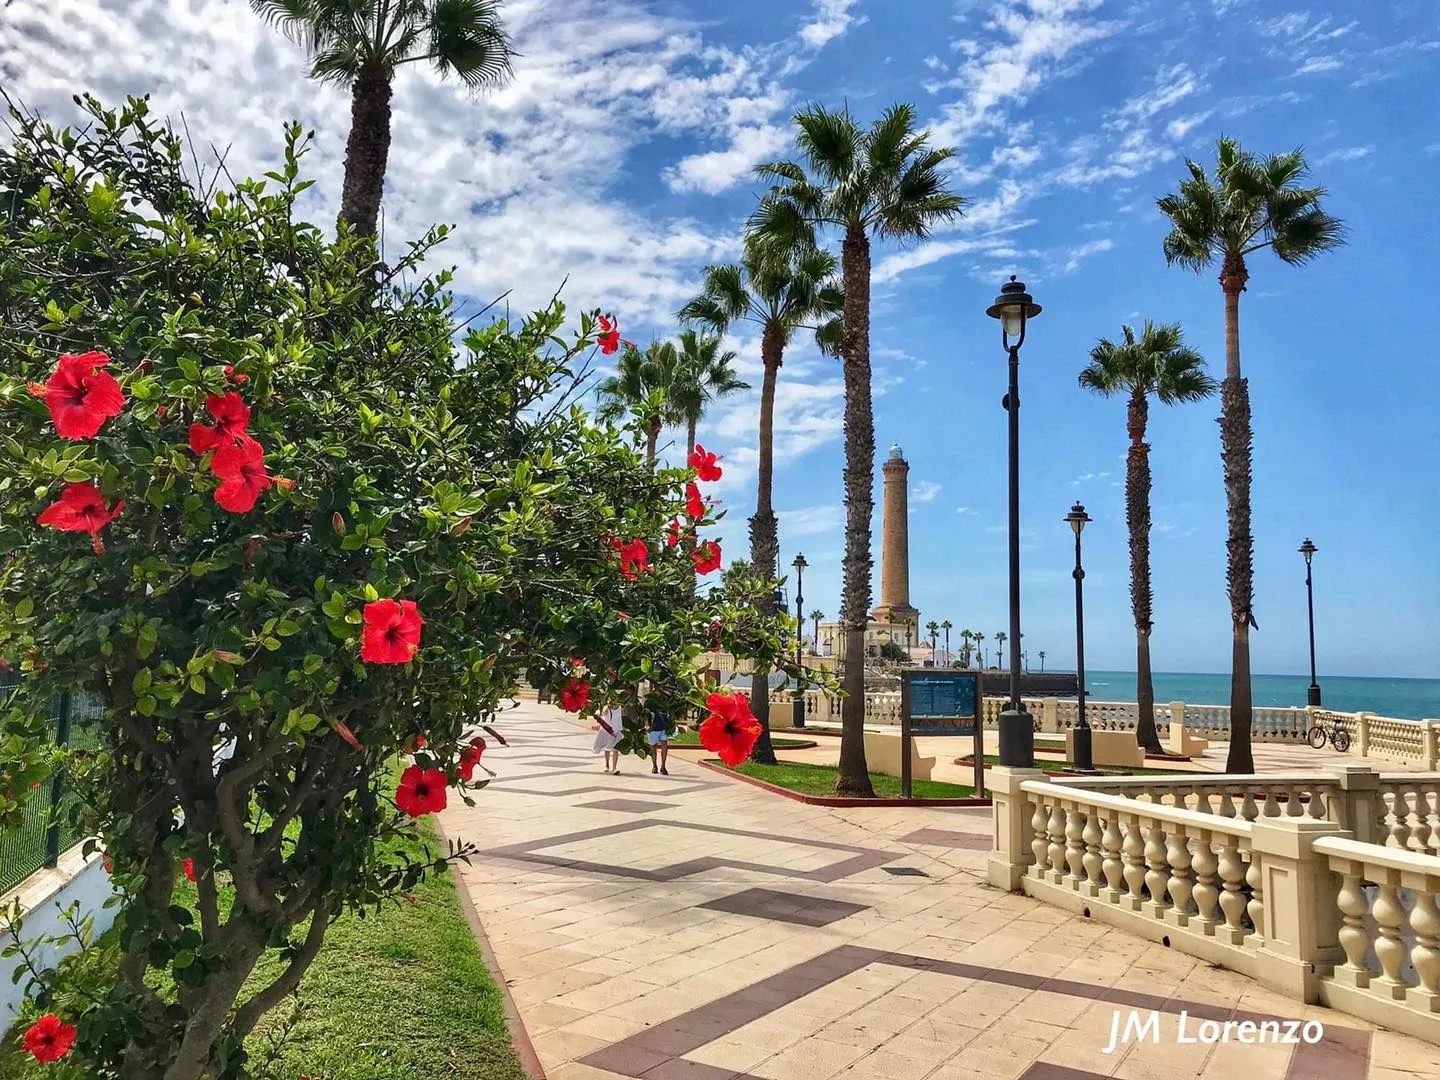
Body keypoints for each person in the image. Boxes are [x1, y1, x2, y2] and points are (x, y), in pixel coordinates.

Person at [592, 702, 624, 774]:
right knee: (607, 748)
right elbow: (603, 713)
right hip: (607, 731)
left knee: (616, 749)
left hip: (618, 730)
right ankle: (607, 765)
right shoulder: (607, 707)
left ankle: (614, 768)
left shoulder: (620, 707)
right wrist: (605, 709)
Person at [646, 697, 671, 775]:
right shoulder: (649, 701)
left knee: (664, 747)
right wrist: (647, 725)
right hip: (653, 729)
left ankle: (663, 766)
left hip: (663, 728)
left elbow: (669, 713)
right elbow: (645, 714)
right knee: (653, 749)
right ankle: (654, 766)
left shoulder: (664, 700)